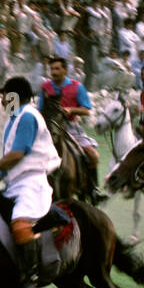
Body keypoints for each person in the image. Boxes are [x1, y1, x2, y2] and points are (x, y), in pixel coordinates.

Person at [0, 77, 62, 288]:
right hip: (14, 184)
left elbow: (17, 155)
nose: (2, 100)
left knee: (19, 223)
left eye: (5, 95)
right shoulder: (12, 121)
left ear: (14, 97)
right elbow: (12, 164)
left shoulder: (28, 116)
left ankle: (30, 280)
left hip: (32, 184)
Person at [41, 55, 103, 199]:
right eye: (51, 69)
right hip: (49, 127)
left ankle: (93, 189)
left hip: (70, 127)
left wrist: (72, 110)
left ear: (65, 70)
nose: (53, 72)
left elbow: (86, 109)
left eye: (57, 69)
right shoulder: (45, 87)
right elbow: (41, 108)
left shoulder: (76, 86)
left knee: (93, 155)